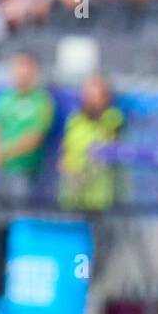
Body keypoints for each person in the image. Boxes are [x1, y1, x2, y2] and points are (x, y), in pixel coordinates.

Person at [0, 52, 54, 207]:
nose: (21, 72)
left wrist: (1, 153)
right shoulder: (2, 98)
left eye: (26, 67)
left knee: (20, 213)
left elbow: (34, 138)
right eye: (18, 66)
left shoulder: (42, 101)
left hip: (25, 170)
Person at [57, 73, 123, 211]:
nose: (89, 98)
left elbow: (109, 154)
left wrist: (82, 178)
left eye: (94, 95)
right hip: (70, 195)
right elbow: (64, 149)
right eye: (87, 94)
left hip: (97, 200)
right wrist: (68, 174)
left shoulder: (112, 119)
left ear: (105, 97)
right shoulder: (75, 119)